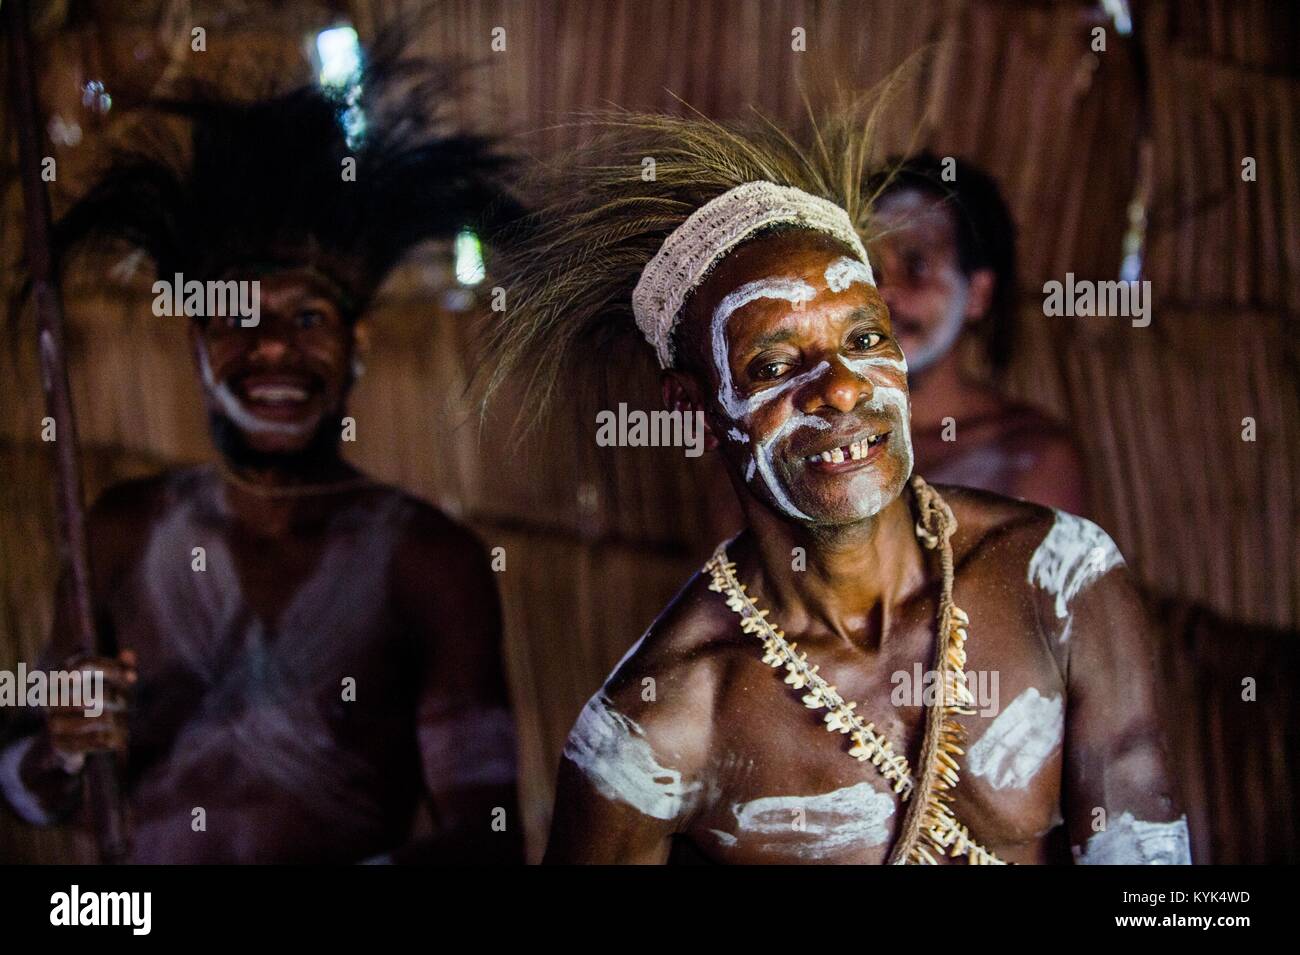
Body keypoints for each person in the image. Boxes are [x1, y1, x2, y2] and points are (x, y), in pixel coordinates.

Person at [486, 112, 1189, 864]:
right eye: (775, 366)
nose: (844, 391)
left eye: (863, 339)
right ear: (693, 406)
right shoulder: (658, 729)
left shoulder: (1062, 579)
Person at [0, 45, 521, 863]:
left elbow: (485, 836)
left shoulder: (430, 559)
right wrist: (60, 744)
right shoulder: (121, 530)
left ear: (357, 346)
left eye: (308, 317)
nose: (273, 347)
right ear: (197, 348)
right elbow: (26, 789)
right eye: (237, 318)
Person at [868, 154, 1087, 513]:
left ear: (977, 294)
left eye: (916, 266)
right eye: (870, 267)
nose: (884, 292)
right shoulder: (818, 438)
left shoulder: (1031, 459)